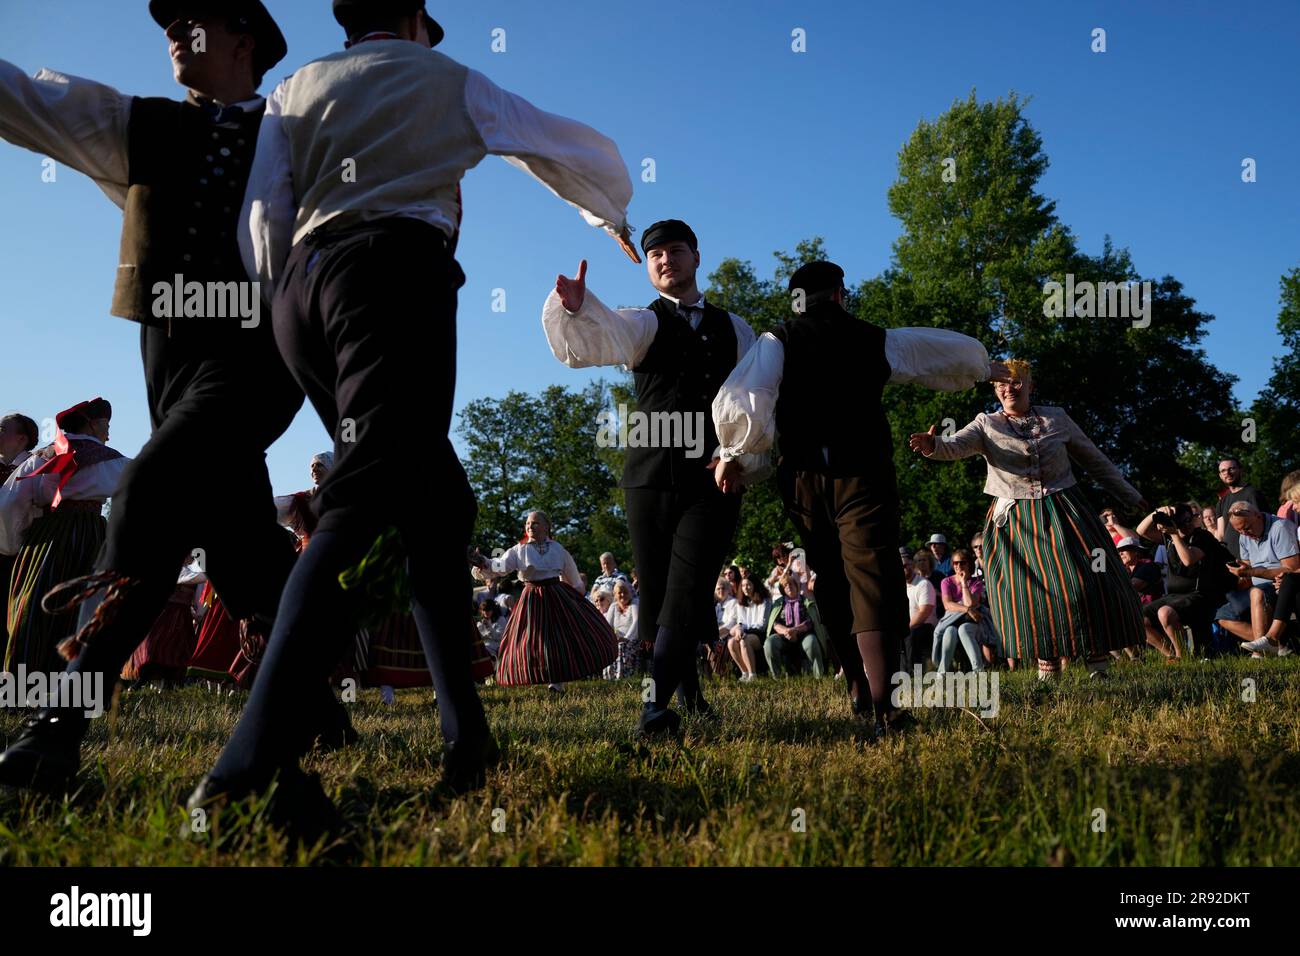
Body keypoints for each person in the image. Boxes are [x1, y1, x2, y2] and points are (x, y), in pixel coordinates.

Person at [188, 0, 635, 826]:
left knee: (436, 507)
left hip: (301, 293)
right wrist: (610, 207)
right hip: (392, 282)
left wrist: (285, 291)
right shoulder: (446, 77)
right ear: (408, 15)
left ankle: (469, 738)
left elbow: (262, 210)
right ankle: (242, 771)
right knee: (361, 501)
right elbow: (552, 142)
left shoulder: (296, 86)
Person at [0, 2, 315, 795]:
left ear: (246, 42)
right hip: (172, 363)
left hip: (261, 357)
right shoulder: (139, 125)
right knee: (236, 532)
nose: (174, 33)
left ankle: (59, 727)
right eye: (167, 24)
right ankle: (309, 697)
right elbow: (25, 98)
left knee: (150, 487)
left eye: (195, 20)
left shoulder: (306, 134)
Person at [713, 259, 1001, 735]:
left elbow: (750, 397)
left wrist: (732, 453)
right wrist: (981, 366)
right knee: (872, 574)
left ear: (797, 299)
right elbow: (935, 353)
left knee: (830, 576)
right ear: (841, 294)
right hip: (863, 473)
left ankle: (856, 685)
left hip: (804, 477)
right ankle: (884, 701)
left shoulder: (777, 339)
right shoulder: (875, 337)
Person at [543, 219, 762, 738]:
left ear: (696, 256)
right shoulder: (643, 322)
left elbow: (758, 396)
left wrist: (743, 454)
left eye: (676, 250)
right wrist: (578, 307)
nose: (666, 259)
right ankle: (690, 695)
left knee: (686, 589)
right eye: (656, 254)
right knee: (664, 593)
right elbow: (603, 336)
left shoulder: (739, 329)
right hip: (648, 477)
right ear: (649, 267)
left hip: (714, 475)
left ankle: (653, 705)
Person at [909, 358, 1150, 679]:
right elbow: (956, 446)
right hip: (1015, 523)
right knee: (1032, 595)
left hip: (1066, 511)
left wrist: (1130, 495)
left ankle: (1098, 662)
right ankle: (1047, 668)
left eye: (1017, 381)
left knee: (1087, 583)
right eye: (1001, 384)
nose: (1009, 388)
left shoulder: (1057, 418)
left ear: (1031, 385)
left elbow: (1096, 460)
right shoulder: (986, 423)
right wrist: (933, 445)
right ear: (995, 390)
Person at [2, 399, 129, 676]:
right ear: (91, 424)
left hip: (43, 537)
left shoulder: (39, 457)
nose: (108, 433)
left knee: (32, 605)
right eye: (106, 425)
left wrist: (13, 543)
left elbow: (10, 505)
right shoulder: (114, 462)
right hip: (91, 538)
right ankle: (70, 690)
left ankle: (18, 690)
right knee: (83, 610)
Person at [471, 511, 618, 690]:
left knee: (559, 638)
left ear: (546, 526)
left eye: (534, 523)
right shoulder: (519, 549)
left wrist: (578, 598)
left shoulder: (558, 549)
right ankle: (539, 674)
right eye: (527, 524)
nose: (529, 527)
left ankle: (557, 684)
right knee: (535, 639)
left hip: (557, 596)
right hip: (532, 598)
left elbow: (574, 578)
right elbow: (499, 567)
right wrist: (481, 561)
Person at [1135, 503, 1235, 659]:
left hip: (1200, 594)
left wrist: (1175, 534)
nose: (1187, 524)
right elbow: (1141, 531)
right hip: (1174, 595)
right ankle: (1171, 655)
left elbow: (1188, 559)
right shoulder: (1168, 537)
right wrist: (1158, 510)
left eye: (1190, 520)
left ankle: (1183, 657)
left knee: (1165, 613)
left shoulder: (1202, 537)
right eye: (1182, 522)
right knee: (1137, 618)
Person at [1216, 501, 1298, 656]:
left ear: (1258, 516)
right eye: (1239, 531)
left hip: (1279, 586)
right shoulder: (1244, 535)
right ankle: (1279, 645)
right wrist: (1238, 576)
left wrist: (1252, 572)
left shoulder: (1280, 528)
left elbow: (1292, 569)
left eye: (1247, 528)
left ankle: (1260, 655)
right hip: (1256, 586)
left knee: (1257, 593)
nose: (1245, 534)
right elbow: (1247, 569)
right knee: (1223, 615)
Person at [0, 413, 39, 657]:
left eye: (2, 428)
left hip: (23, 555)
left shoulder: (36, 467)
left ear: (22, 438)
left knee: (15, 617)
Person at [933, 549, 987, 673]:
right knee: (950, 632)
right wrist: (968, 610)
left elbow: (969, 602)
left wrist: (963, 583)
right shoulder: (946, 582)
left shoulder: (976, 583)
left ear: (969, 564)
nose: (958, 566)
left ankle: (978, 671)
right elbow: (947, 605)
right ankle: (942, 673)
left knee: (964, 630)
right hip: (951, 621)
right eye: (955, 563)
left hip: (972, 622)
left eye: (962, 563)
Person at [764, 574, 825, 678]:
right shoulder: (778, 603)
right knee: (769, 643)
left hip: (803, 635)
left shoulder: (805, 601)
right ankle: (777, 677)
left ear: (796, 586)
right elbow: (774, 623)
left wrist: (795, 630)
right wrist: (786, 631)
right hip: (784, 636)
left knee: (812, 642)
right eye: (785, 585)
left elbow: (810, 621)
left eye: (791, 584)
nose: (789, 587)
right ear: (783, 589)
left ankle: (819, 676)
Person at [1214, 458, 1268, 557]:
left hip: (1252, 558)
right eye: (1223, 471)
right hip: (1228, 558)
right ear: (1220, 476)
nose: (1227, 473)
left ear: (1240, 470)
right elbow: (1220, 535)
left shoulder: (1253, 494)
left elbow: (1263, 525)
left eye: (1231, 469)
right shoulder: (1222, 502)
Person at [725, 574, 770, 682]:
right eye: (743, 585)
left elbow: (761, 625)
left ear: (755, 585)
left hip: (760, 634)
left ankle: (753, 675)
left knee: (744, 641)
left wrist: (742, 628)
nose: (745, 588)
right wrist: (739, 629)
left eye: (748, 585)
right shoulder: (740, 603)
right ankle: (744, 673)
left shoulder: (765, 601)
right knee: (731, 643)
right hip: (745, 632)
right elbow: (741, 621)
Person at [902, 552, 937, 671]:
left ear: (912, 566)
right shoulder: (900, 586)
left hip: (926, 626)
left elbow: (924, 613)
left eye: (906, 565)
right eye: (901, 566)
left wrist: (906, 628)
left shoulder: (924, 584)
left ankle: (912, 673)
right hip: (908, 626)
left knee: (910, 634)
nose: (904, 569)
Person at [604, 579, 640, 679]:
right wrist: (612, 637)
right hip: (618, 639)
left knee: (621, 646)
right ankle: (610, 676)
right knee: (610, 645)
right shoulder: (613, 606)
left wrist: (626, 637)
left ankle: (622, 676)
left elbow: (636, 621)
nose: (623, 595)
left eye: (625, 592)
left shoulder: (635, 603)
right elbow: (607, 625)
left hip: (633, 640)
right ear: (615, 595)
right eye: (620, 592)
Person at [1116, 536, 1165, 606]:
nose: (1120, 553)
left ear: (1136, 551)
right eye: (1119, 551)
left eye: (1123, 549)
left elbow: (1130, 587)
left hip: (1151, 612)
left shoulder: (1148, 566)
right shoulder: (1126, 570)